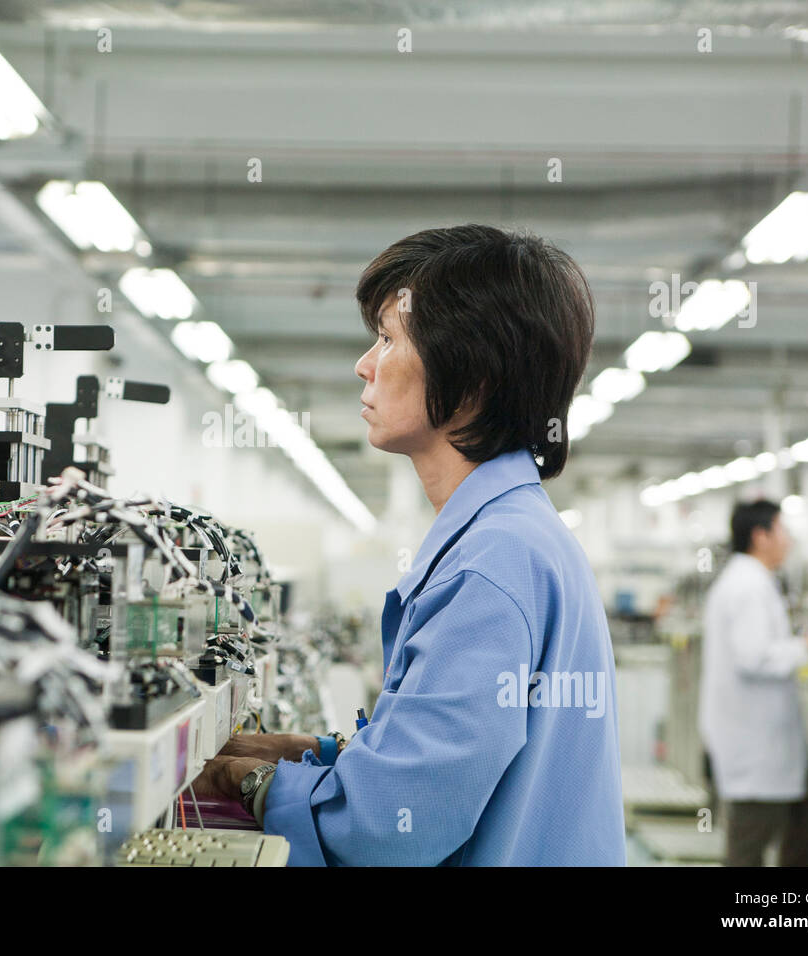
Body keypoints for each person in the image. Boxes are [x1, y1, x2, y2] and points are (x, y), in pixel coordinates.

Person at [190, 224, 626, 865]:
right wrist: (315, 753)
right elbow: (448, 762)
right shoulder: (509, 537)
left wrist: (243, 783)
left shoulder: (493, 564)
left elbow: (391, 826)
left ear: (472, 377)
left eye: (389, 339)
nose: (364, 364)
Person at [700, 499, 808, 866]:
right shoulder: (747, 586)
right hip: (755, 750)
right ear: (760, 536)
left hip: (766, 748)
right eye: (782, 530)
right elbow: (755, 657)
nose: (789, 540)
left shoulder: (752, 581)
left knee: (802, 823)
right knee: (749, 845)